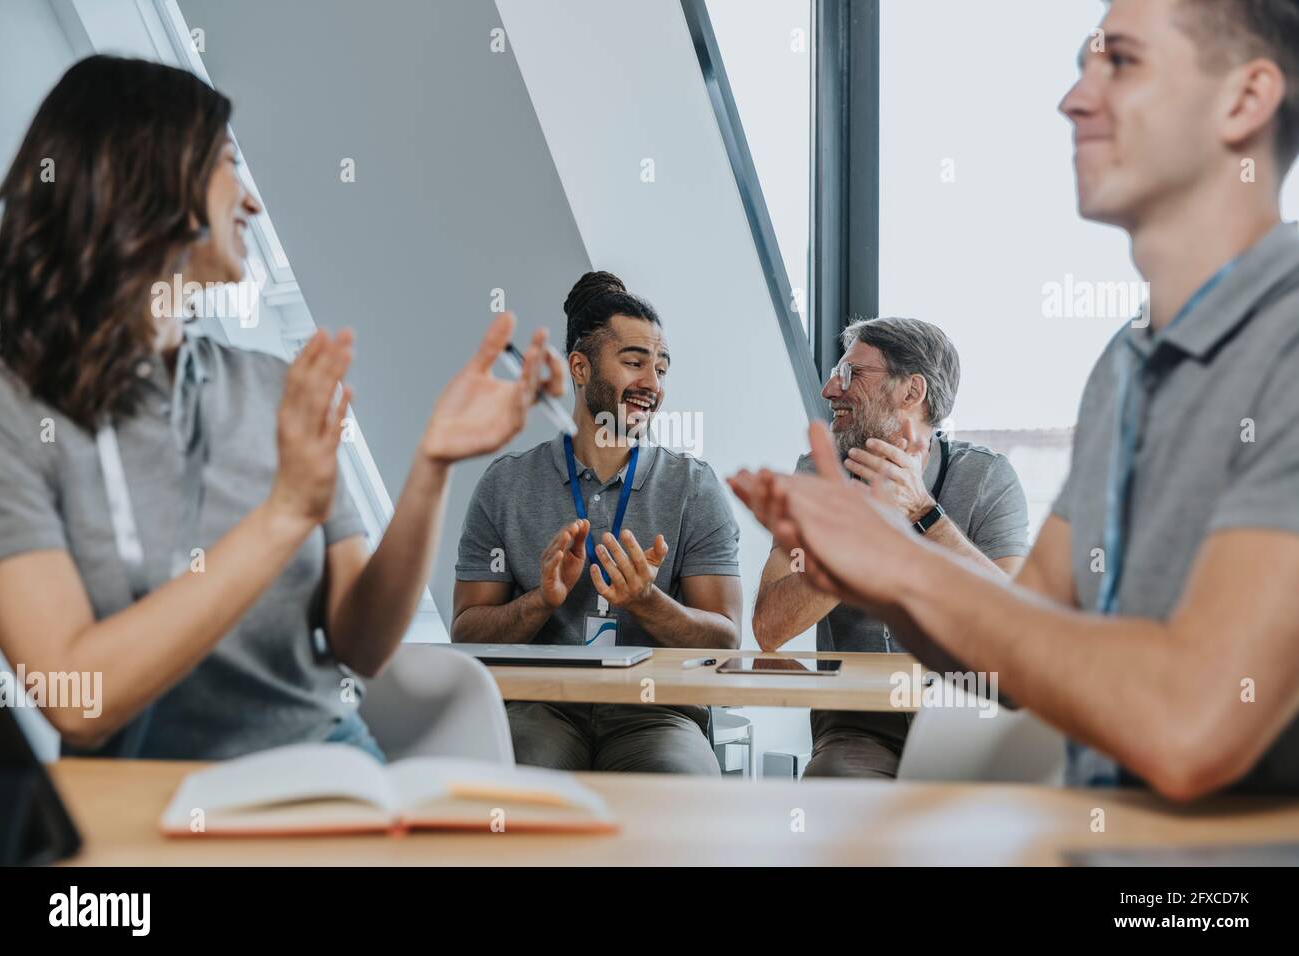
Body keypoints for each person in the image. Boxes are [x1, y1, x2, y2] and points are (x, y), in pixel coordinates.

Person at [730, 0, 1299, 800]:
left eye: (1121, 62)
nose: (1073, 97)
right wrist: (870, 565)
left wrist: (902, 551)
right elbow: (1018, 642)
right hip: (1101, 831)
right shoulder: (1125, 368)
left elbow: (1190, 726)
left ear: (1244, 101)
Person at [0, 55, 565, 761]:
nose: (253, 201)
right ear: (151, 173)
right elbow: (78, 702)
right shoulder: (16, 412)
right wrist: (284, 514)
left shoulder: (274, 387)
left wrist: (430, 468)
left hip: (321, 772)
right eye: (228, 163)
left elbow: (361, 644)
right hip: (132, 811)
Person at [452, 271, 742, 775]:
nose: (652, 384)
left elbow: (725, 642)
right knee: (518, 786)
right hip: (541, 708)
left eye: (662, 369)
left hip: (658, 712)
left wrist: (646, 602)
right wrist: (540, 600)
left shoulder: (693, 486)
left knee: (682, 787)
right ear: (580, 368)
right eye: (634, 363)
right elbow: (468, 633)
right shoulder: (506, 485)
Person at [753, 317, 1028, 778]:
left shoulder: (987, 479)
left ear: (911, 392)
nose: (828, 390)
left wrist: (923, 512)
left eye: (851, 374)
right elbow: (768, 629)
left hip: (966, 718)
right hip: (857, 726)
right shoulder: (819, 475)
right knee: (833, 792)